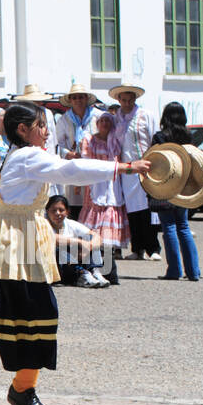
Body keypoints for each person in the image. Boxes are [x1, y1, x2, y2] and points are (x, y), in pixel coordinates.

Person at [0, 102, 150, 405]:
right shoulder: (27, 156)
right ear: (23, 130)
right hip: (17, 241)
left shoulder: (23, 155)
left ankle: (23, 390)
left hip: (22, 237)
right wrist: (122, 168)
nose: (46, 130)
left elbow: (66, 169)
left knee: (36, 313)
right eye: (41, 125)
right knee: (36, 313)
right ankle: (22, 391)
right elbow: (70, 172)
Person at [111, 81, 161, 262]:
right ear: (119, 100)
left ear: (134, 99)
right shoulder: (116, 118)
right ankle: (137, 247)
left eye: (129, 100)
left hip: (146, 167)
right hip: (127, 169)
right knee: (132, 210)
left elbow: (155, 138)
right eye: (123, 100)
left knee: (148, 208)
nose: (126, 103)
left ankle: (153, 247)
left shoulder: (145, 115)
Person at [152, 102, 201, 282]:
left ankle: (174, 270)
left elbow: (154, 160)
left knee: (169, 227)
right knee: (183, 226)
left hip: (166, 184)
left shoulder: (160, 137)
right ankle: (194, 271)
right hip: (184, 186)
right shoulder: (188, 136)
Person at [78, 110, 127, 283]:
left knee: (108, 229)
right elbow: (84, 163)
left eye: (108, 121)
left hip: (112, 186)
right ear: (97, 124)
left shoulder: (115, 141)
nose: (105, 124)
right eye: (102, 121)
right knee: (93, 228)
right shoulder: (89, 140)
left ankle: (108, 269)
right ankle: (94, 266)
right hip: (96, 185)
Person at [54, 83, 100, 218]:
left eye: (81, 97)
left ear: (86, 98)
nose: (78, 101)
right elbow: (58, 144)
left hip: (93, 166)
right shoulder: (64, 120)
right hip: (73, 167)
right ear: (70, 101)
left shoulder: (98, 116)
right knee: (74, 204)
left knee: (94, 203)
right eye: (74, 98)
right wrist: (68, 153)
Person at [46, 193, 108, 288]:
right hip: (58, 264)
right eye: (53, 210)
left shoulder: (70, 224)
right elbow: (52, 238)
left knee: (90, 238)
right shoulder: (43, 223)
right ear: (47, 211)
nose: (57, 213)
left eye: (61, 210)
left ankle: (95, 271)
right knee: (58, 249)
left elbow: (97, 237)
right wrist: (80, 242)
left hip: (75, 258)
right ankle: (82, 275)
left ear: (67, 212)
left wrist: (88, 247)